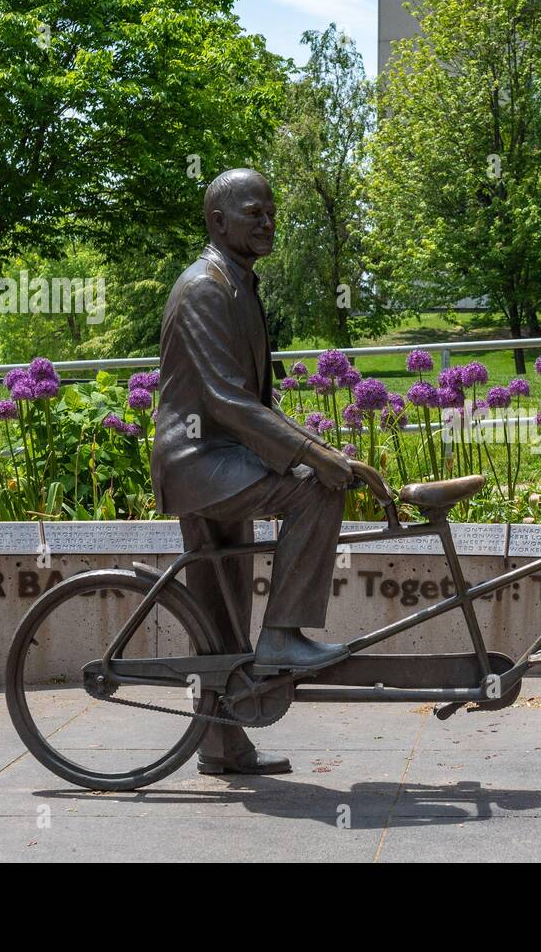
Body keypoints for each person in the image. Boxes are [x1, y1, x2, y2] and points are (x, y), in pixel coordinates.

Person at [151, 167, 353, 776]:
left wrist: (321, 447)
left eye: (270, 211)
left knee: (222, 604)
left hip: (221, 459)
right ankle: (284, 635)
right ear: (218, 221)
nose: (267, 222)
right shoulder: (207, 287)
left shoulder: (236, 281)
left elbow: (254, 403)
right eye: (253, 213)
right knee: (313, 494)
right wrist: (319, 459)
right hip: (201, 460)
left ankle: (223, 744)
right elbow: (227, 401)